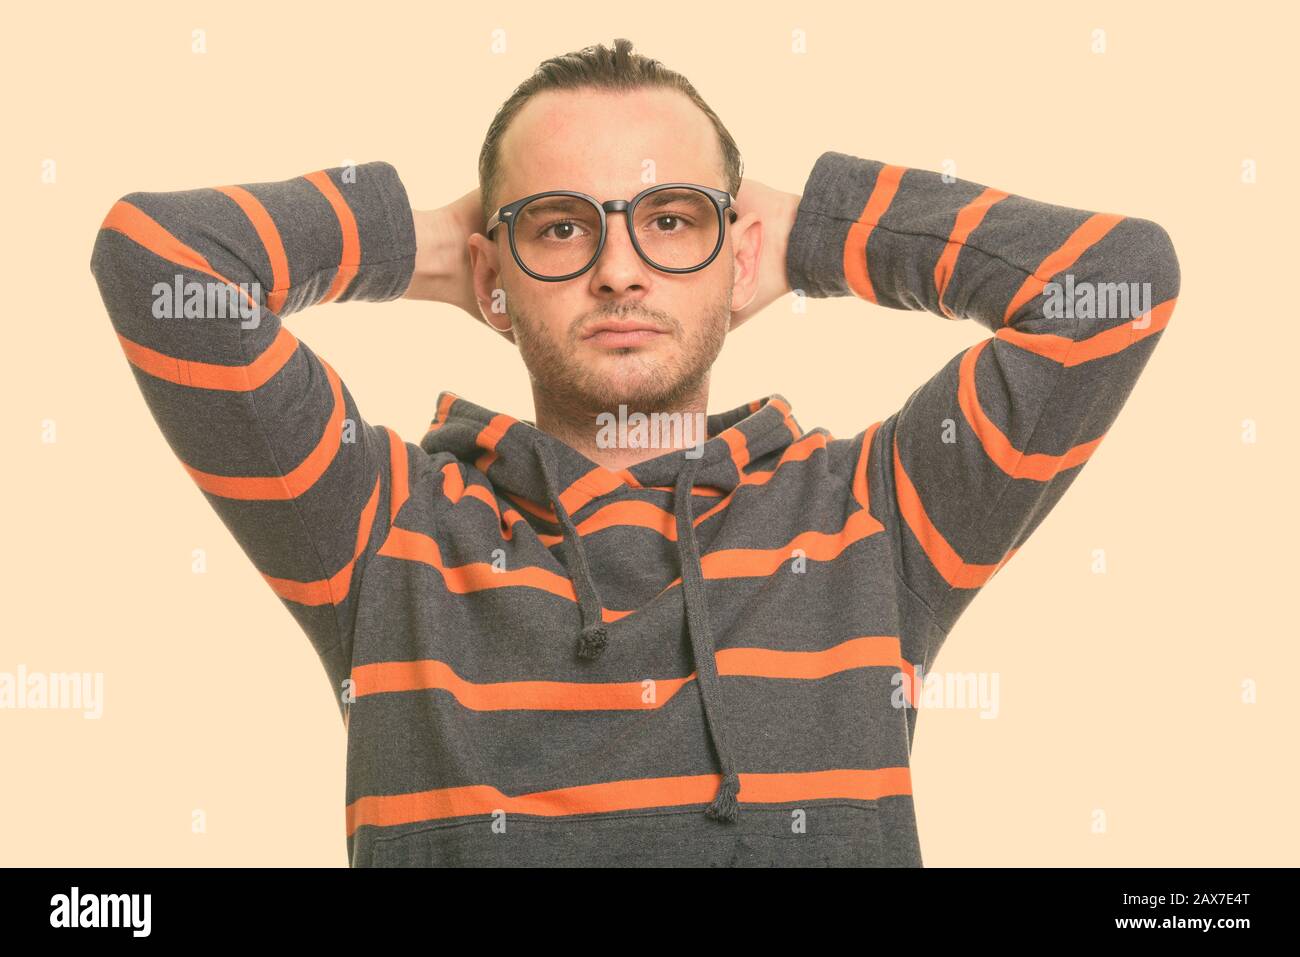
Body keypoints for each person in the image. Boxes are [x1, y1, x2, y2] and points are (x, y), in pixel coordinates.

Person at [88, 38, 1179, 867]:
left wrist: (811, 231)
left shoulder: (876, 519)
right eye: (560, 226)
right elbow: (158, 260)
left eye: (670, 219)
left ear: (738, 250)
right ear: (492, 270)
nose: (618, 269)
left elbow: (1115, 284)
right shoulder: (377, 528)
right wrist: (438, 248)